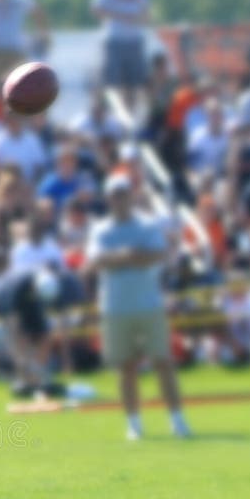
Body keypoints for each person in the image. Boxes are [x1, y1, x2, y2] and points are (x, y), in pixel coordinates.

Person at [86, 174, 191, 440]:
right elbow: (95, 261)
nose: (119, 199)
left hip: (148, 303)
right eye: (114, 194)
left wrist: (121, 257)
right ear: (108, 198)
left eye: (123, 193)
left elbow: (156, 255)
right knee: (126, 367)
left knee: (163, 362)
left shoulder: (147, 224)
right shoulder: (100, 229)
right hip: (115, 306)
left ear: (130, 196)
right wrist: (130, 255)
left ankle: (177, 420)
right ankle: (134, 424)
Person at [91, 0, 151, 101]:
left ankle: (132, 111)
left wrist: (139, 19)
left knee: (135, 82)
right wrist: (121, 16)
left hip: (135, 39)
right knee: (111, 81)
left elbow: (146, 13)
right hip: (114, 38)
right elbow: (97, 9)